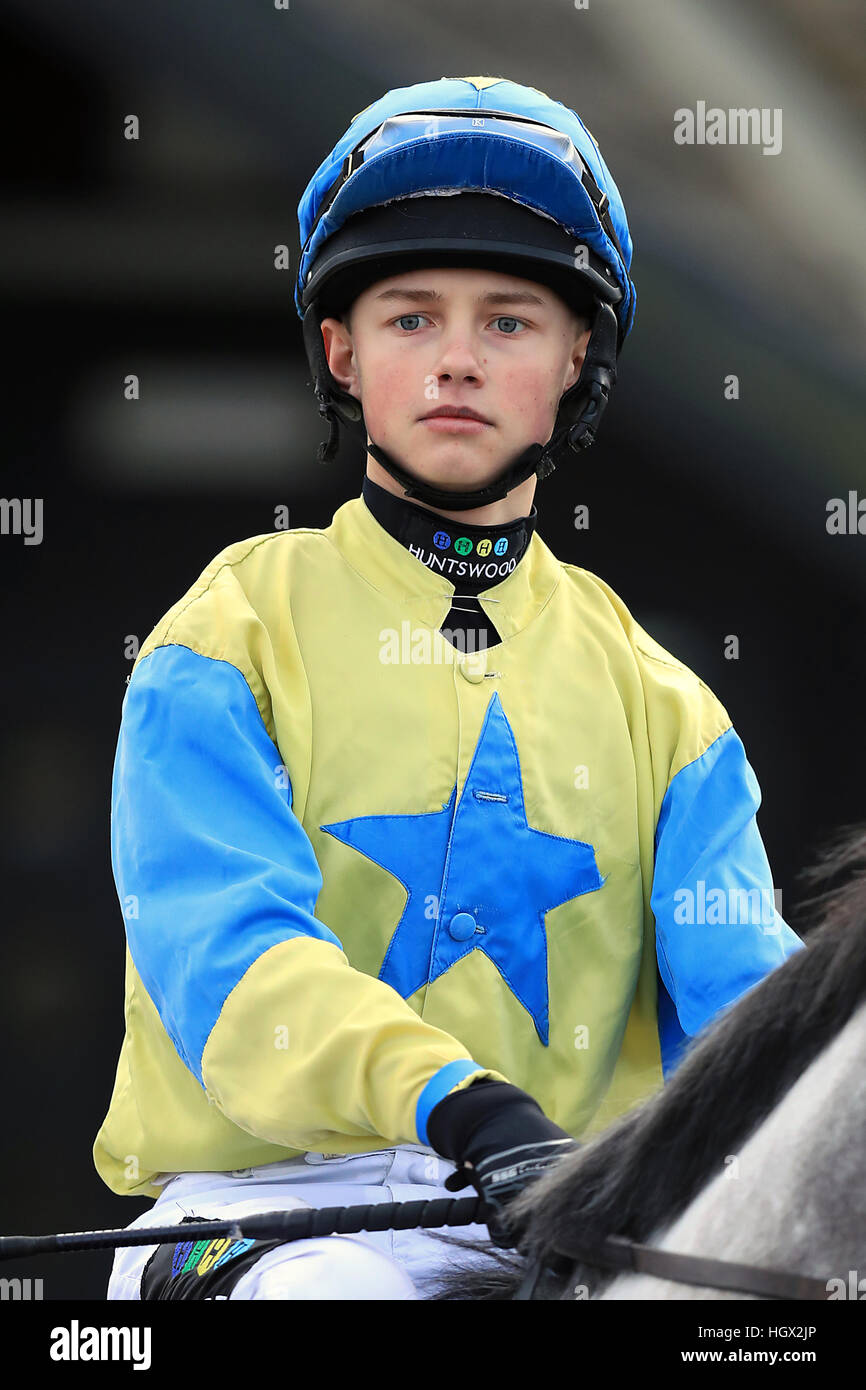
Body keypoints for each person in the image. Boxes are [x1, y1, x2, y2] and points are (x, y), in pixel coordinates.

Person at [95, 75, 803, 1301]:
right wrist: (461, 1104)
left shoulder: (670, 705)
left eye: (510, 323)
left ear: (577, 356)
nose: (458, 362)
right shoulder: (224, 633)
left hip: (567, 1228)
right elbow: (233, 958)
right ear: (341, 351)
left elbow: (750, 1015)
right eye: (411, 319)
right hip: (271, 1222)